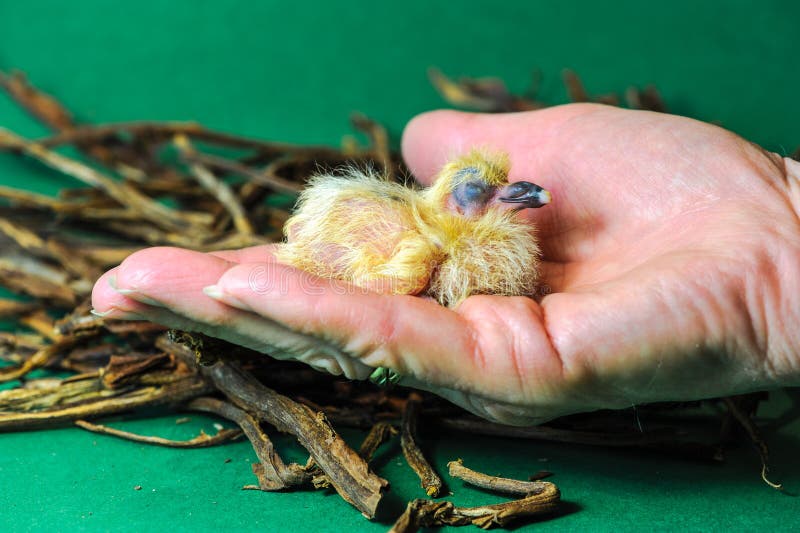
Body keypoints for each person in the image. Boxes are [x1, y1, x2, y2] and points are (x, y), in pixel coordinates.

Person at [91, 104, 800, 425]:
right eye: (482, 193)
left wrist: (778, 232)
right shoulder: (429, 246)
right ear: (450, 199)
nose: (505, 199)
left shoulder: (480, 226)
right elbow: (388, 264)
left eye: (499, 190)